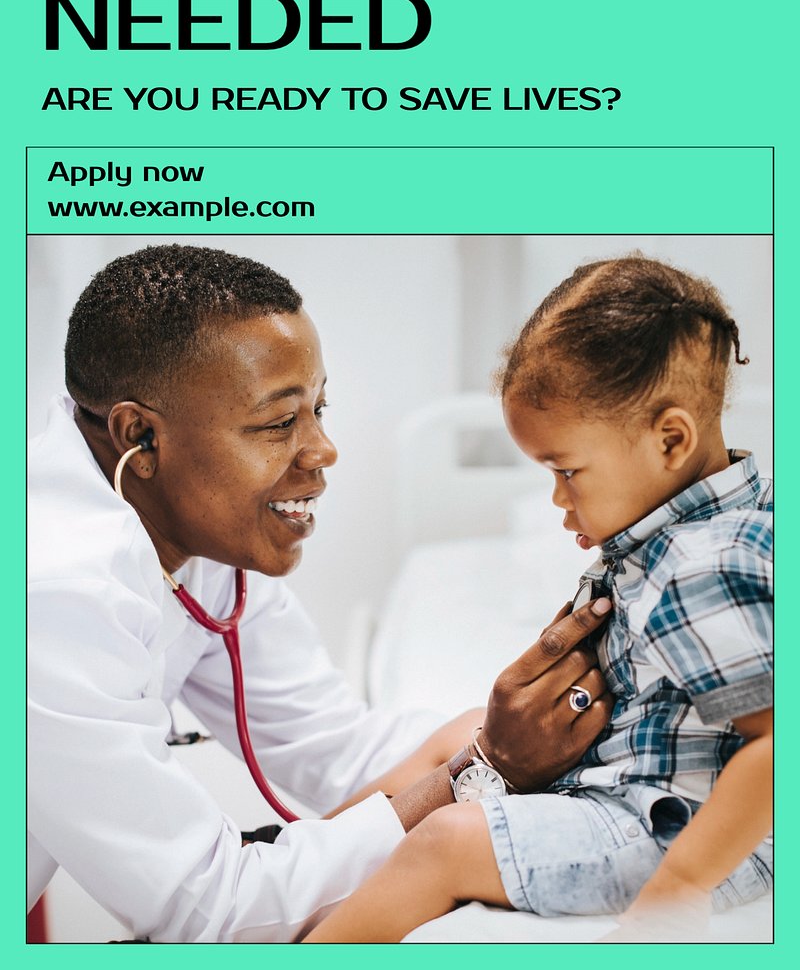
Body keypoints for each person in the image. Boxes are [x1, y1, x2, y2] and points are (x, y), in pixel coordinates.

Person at [27, 243, 614, 943]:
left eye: (318, 408)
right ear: (140, 435)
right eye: (279, 423)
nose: (323, 449)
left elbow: (336, 749)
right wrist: (479, 768)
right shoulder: (52, 591)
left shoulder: (197, 537)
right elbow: (209, 909)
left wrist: (494, 729)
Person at [304, 254, 773, 944]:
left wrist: (679, 887)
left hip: (681, 826)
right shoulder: (693, 531)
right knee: (462, 732)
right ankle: (303, 872)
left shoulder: (703, 563)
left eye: (566, 470)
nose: (557, 499)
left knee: (447, 840)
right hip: (633, 779)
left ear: (671, 439)